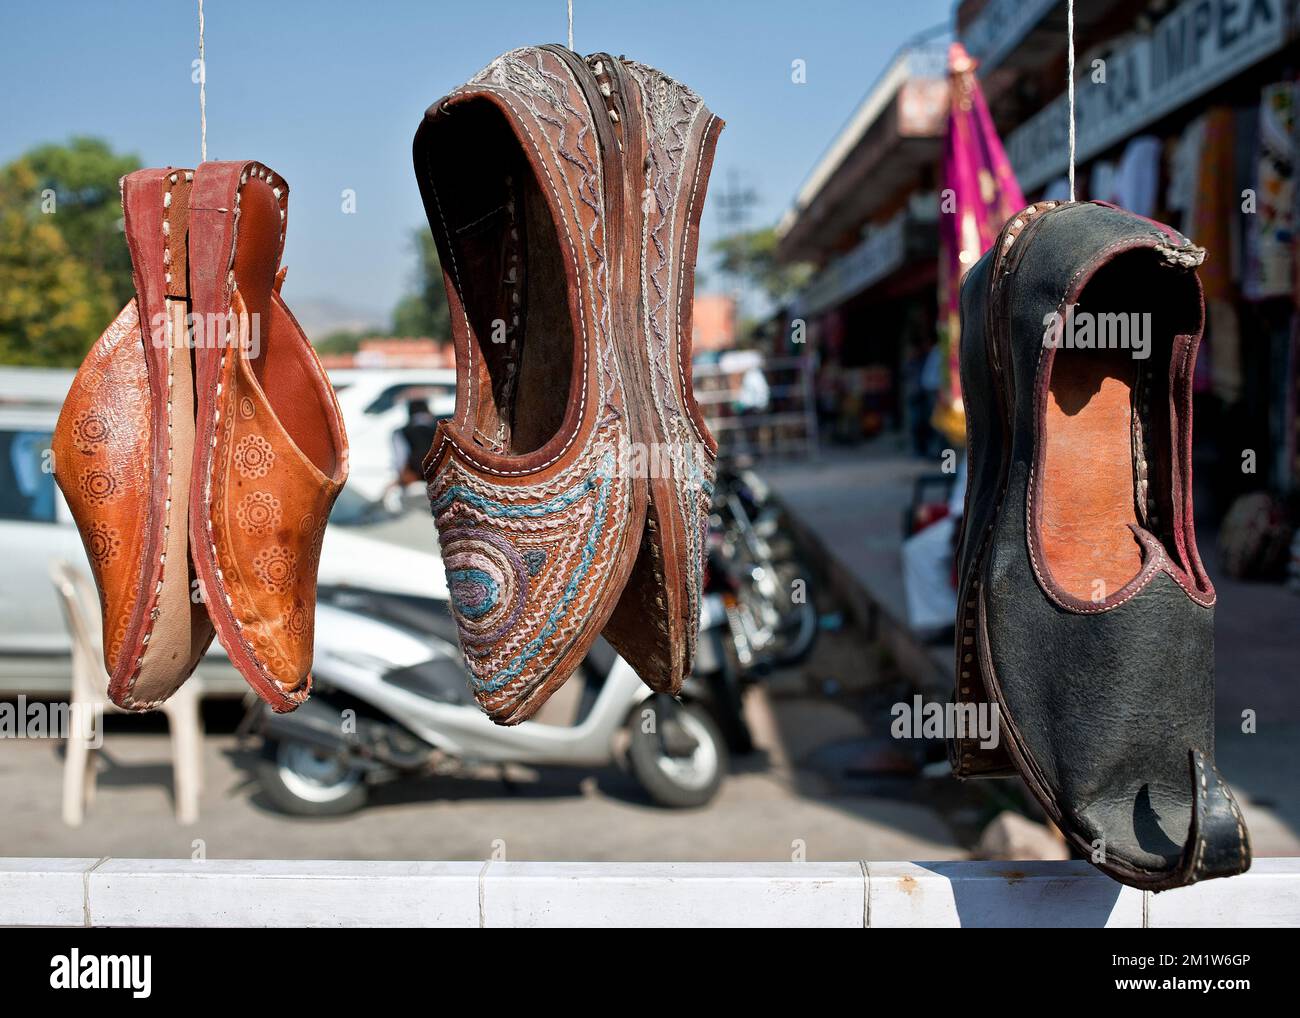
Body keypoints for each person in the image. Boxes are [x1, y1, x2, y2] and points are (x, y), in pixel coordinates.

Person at [384, 398, 438, 513]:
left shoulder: (401, 432)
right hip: (438, 480)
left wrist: (397, 481)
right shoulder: (440, 430)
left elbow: (400, 459)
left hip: (413, 480)